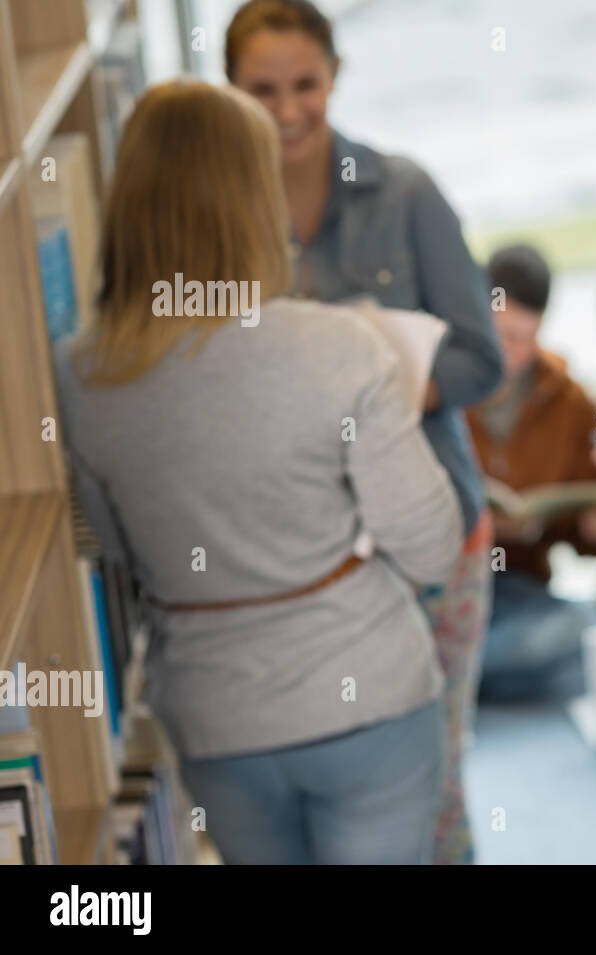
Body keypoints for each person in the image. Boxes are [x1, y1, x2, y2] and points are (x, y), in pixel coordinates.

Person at [53, 79, 464, 864]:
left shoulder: (80, 375)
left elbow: (108, 546)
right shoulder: (338, 346)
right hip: (366, 693)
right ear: (253, 199)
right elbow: (432, 547)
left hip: (214, 715)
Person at [225, 0, 503, 865]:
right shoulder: (218, 221)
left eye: (304, 83)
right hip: (300, 559)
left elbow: (481, 359)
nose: (287, 109)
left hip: (430, 534)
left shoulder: (405, 191)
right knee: (336, 793)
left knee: (434, 776)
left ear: (335, 76)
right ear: (230, 91)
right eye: (261, 89)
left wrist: (377, 380)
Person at [466, 244, 596, 699]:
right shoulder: (441, 387)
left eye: (525, 337)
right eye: (501, 333)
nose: (512, 354)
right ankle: (457, 668)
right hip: (450, 587)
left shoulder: (568, 401)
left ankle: (451, 672)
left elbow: (584, 534)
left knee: (593, 629)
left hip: (520, 592)